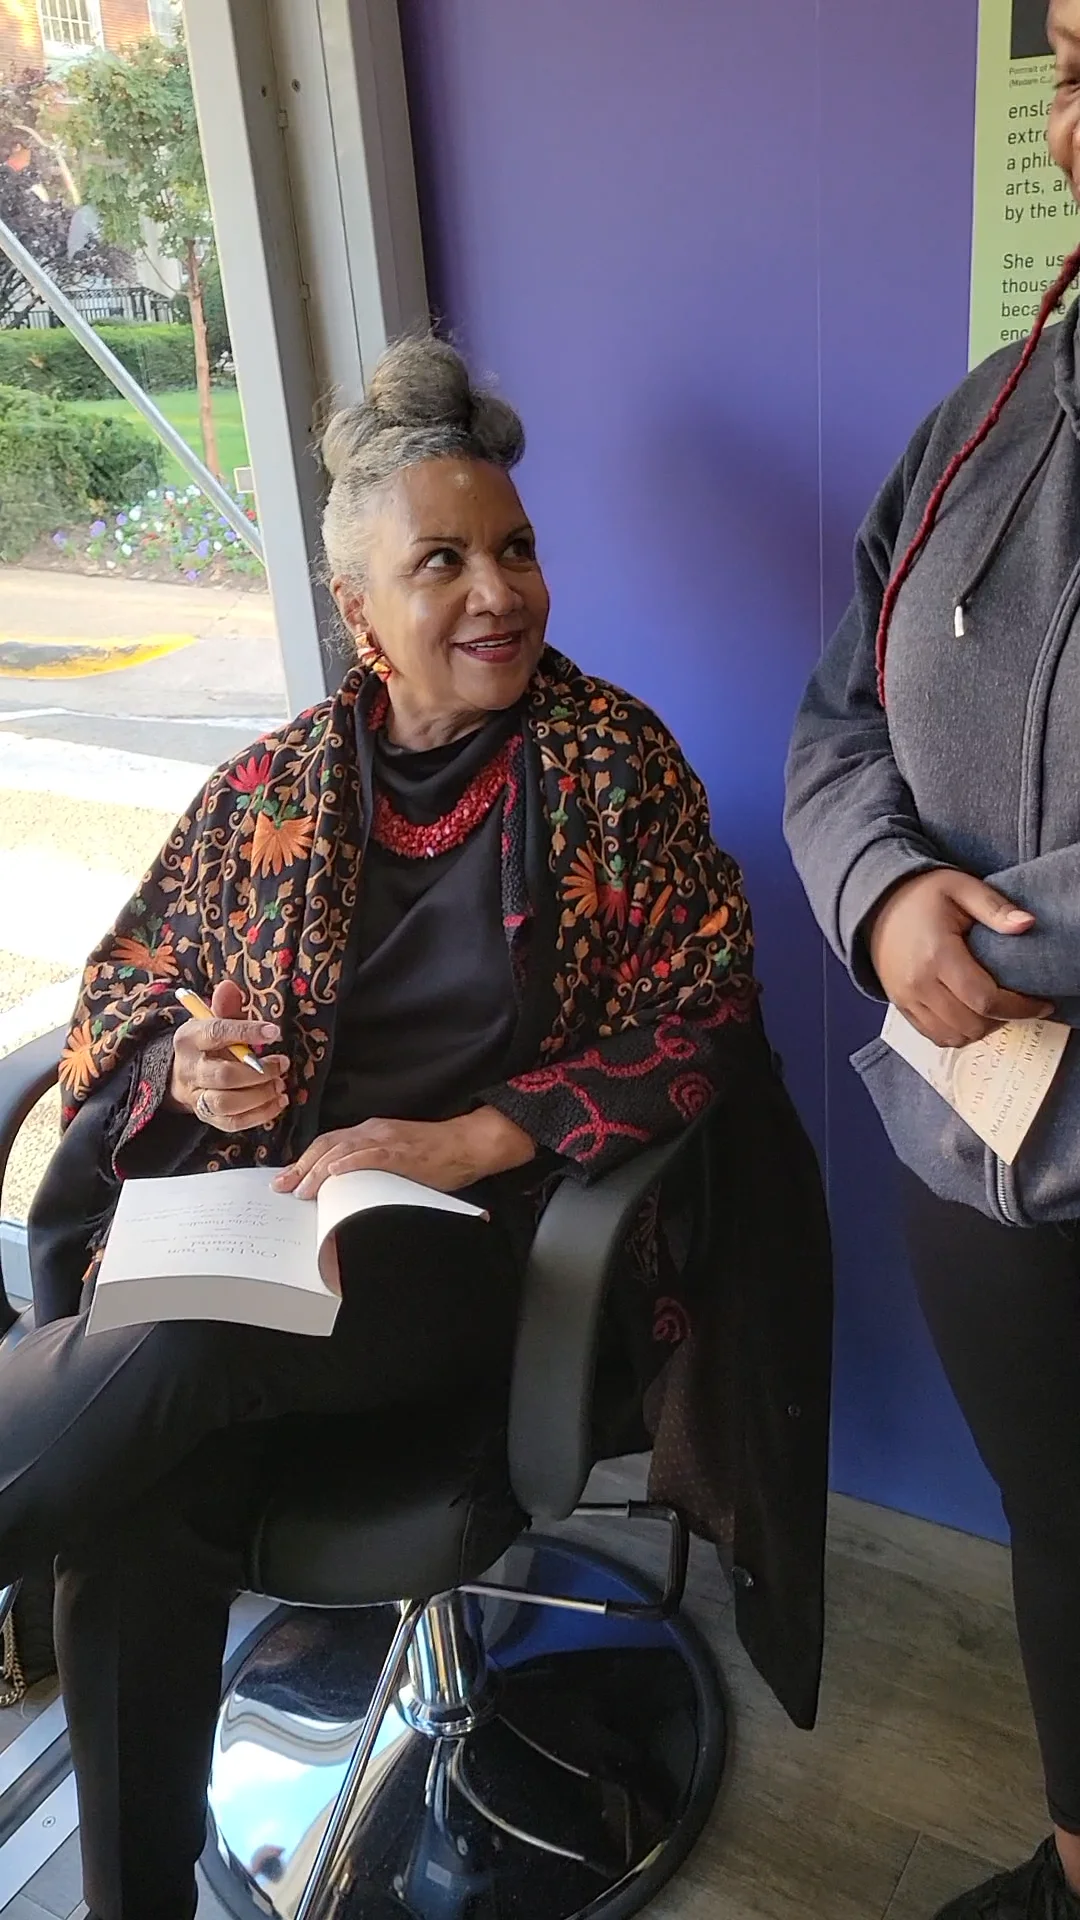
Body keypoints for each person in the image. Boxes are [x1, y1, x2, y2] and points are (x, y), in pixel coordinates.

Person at [0, 334, 827, 1920]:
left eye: (514, 548)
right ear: (357, 612)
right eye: (439, 561)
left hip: (498, 1263)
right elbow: (135, 976)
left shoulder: (612, 767)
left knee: (175, 1340)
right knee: (130, 1502)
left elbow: (710, 1005)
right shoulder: (278, 786)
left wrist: (481, 1135)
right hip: (284, 1231)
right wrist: (192, 1065)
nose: (496, 591)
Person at [785, 3, 1080, 1913]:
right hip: (973, 1133)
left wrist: (1034, 934)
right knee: (1060, 1529)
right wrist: (889, 896)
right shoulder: (978, 416)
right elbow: (832, 721)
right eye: (1072, 60)